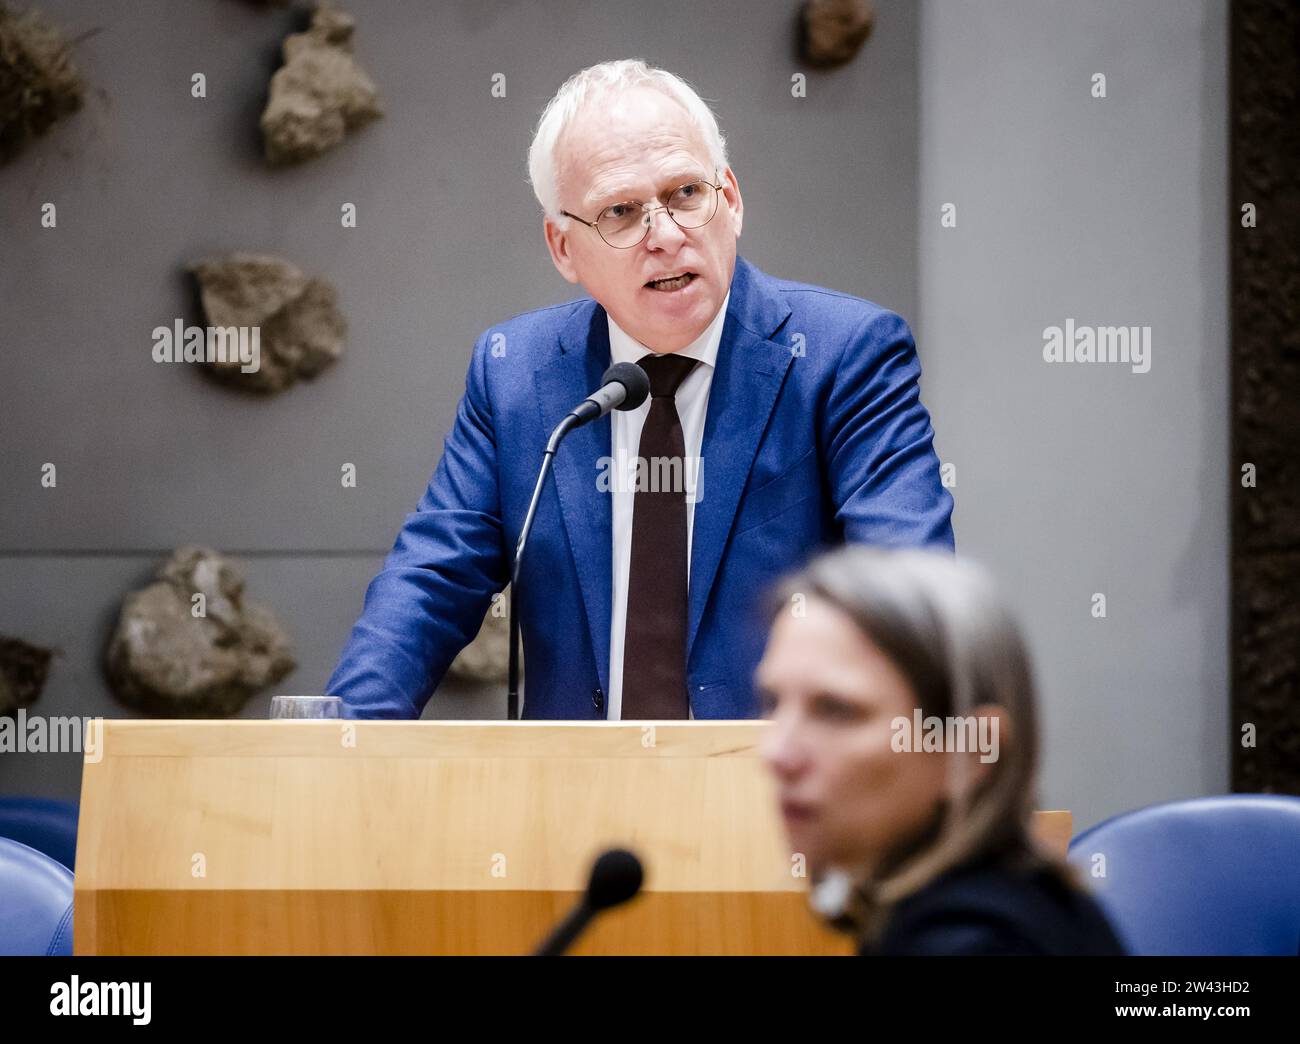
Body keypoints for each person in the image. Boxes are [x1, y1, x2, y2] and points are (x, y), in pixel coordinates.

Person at [326, 59, 953, 720]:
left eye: (686, 193)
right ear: (563, 246)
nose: (666, 235)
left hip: (781, 801)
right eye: (621, 212)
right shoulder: (516, 375)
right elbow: (429, 584)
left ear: (730, 200)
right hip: (580, 809)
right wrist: (332, 750)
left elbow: (910, 597)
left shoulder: (843, 355)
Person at [757, 546, 1126, 955]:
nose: (775, 752)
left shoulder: (975, 945)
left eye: (837, 711)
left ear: (970, 751)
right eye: (772, 703)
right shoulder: (1023, 906)